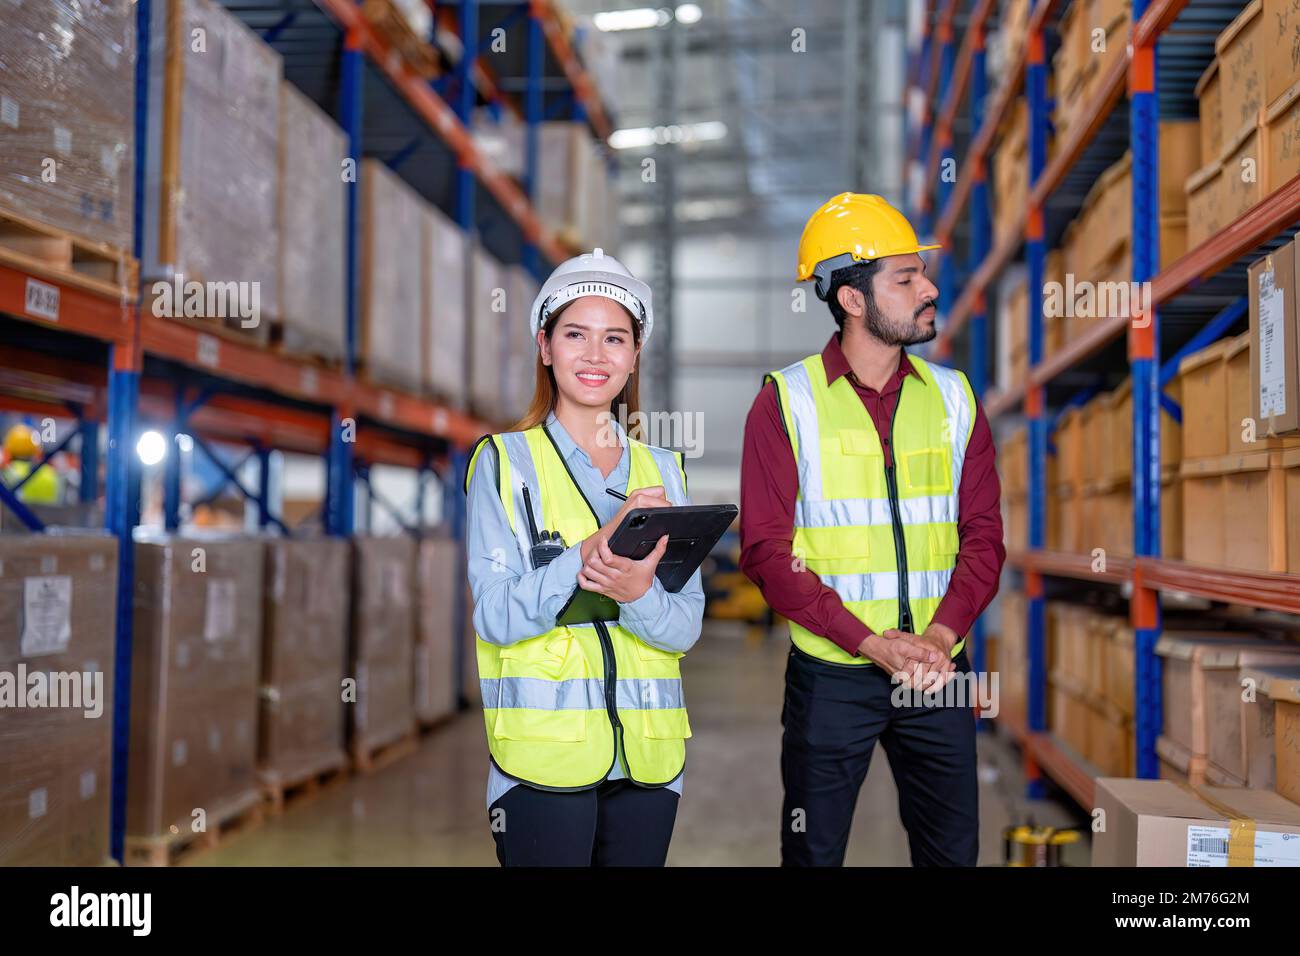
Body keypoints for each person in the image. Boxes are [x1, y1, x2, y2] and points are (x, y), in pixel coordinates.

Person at [739, 194, 1005, 866]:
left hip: (940, 671)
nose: (930, 290)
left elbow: (984, 535)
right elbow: (768, 553)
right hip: (834, 675)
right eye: (906, 279)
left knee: (952, 856)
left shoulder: (955, 397)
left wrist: (940, 638)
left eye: (924, 276)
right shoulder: (786, 401)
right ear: (852, 300)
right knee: (813, 855)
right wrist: (869, 644)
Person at [464, 249, 703, 867]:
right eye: (576, 334)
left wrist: (638, 594)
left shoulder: (665, 473)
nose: (596, 356)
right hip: (543, 763)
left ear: (634, 355)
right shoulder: (505, 464)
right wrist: (591, 553)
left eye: (615, 339)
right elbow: (494, 615)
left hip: (648, 764)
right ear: (545, 347)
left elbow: (684, 628)